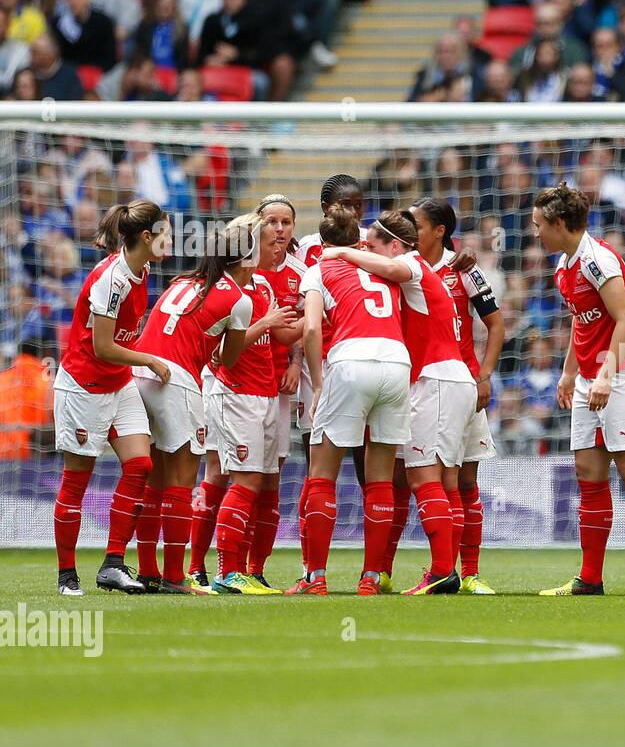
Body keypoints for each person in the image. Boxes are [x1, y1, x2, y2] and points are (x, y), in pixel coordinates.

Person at [318, 210, 477, 596]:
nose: (365, 249)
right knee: (445, 479)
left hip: (437, 378)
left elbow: (392, 268)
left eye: (372, 244)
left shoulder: (410, 262)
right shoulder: (419, 269)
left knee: (424, 477)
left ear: (393, 245)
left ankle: (442, 571)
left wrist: (342, 254)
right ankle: (446, 569)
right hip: (451, 378)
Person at [133, 214, 290, 594]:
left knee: (153, 482)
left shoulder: (182, 282)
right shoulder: (237, 299)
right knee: (181, 483)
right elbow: (229, 358)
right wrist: (265, 323)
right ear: (247, 259)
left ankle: (148, 571)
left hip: (140, 375)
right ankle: (176, 577)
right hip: (177, 381)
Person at [532, 182, 625, 596]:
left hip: (624, 373)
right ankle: (590, 578)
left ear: (559, 223)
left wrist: (608, 373)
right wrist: (568, 371)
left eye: (540, 224)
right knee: (588, 474)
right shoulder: (563, 266)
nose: (535, 231)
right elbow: (582, 321)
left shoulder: (598, 261)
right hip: (590, 378)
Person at [290, 206, 412, 596]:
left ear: (322, 243)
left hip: (349, 362)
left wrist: (320, 381)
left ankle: (316, 578)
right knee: (379, 479)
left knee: (322, 473)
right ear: (359, 241)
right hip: (396, 363)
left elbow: (310, 328)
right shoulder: (380, 267)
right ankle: (372, 578)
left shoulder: (318, 269)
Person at [52, 200, 171, 596]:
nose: (171, 239)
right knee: (76, 483)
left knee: (140, 465)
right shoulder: (111, 280)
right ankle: (67, 576)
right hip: (84, 386)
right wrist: (149, 360)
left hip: (118, 384)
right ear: (145, 237)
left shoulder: (144, 270)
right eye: (165, 232)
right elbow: (103, 347)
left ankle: (113, 564)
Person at [410, 197, 505, 594]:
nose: (410, 230)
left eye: (416, 223)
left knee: (466, 478)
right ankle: (445, 569)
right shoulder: (405, 267)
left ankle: (470, 573)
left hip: (463, 384)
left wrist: (484, 375)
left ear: (438, 230)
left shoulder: (463, 270)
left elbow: (496, 324)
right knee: (442, 474)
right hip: (426, 384)